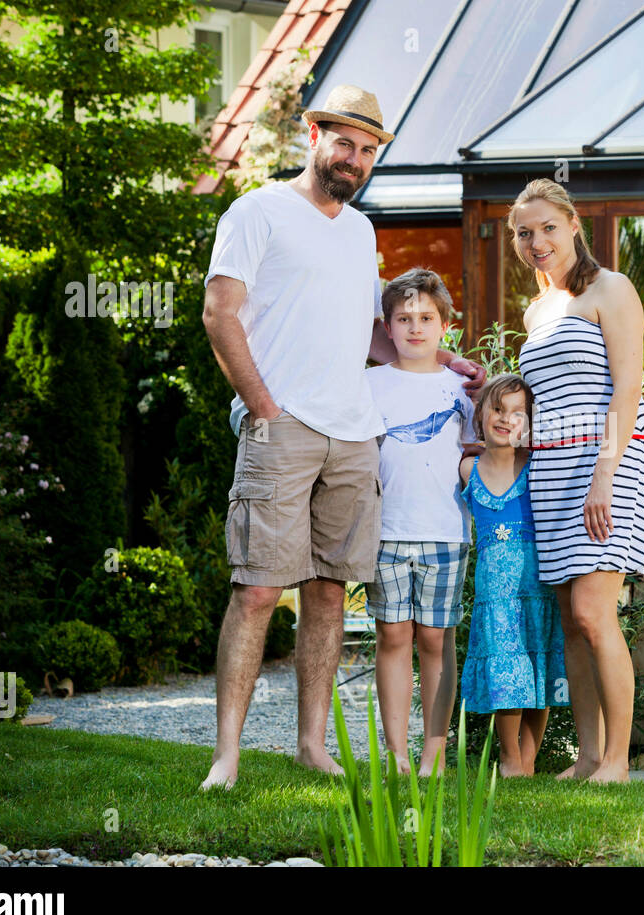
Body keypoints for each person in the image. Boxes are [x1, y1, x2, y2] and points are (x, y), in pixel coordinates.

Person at [199, 85, 483, 791]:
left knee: (329, 595)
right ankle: (226, 757)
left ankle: (310, 746)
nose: (355, 159)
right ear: (314, 134)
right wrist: (262, 406)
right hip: (283, 425)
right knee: (260, 590)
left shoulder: (359, 232)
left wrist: (442, 359)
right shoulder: (258, 210)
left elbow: (367, 333)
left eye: (368, 150)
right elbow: (219, 313)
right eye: (345, 143)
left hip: (355, 434)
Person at [510, 179, 644, 784]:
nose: (537, 241)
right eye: (525, 233)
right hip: (551, 468)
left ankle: (620, 761)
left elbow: (628, 386)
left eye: (548, 227)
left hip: (608, 461)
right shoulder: (536, 309)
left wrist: (605, 472)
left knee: (593, 610)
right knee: (570, 619)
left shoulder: (611, 289)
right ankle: (587, 756)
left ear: (574, 224)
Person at [365, 268, 479, 776]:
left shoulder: (463, 388)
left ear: (444, 325)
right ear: (386, 327)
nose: (415, 327)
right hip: (385, 531)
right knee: (392, 636)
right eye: (403, 318)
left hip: (445, 531)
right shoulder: (369, 383)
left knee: (435, 639)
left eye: (426, 318)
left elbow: (481, 454)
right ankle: (395, 754)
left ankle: (434, 750)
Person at [459, 374, 569, 777]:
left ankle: (528, 758)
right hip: (497, 596)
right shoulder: (468, 468)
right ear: (482, 412)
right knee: (506, 670)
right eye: (498, 409)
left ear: (529, 423)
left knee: (536, 667)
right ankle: (508, 757)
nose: (506, 420)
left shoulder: (535, 466)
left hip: (536, 588)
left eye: (517, 414)